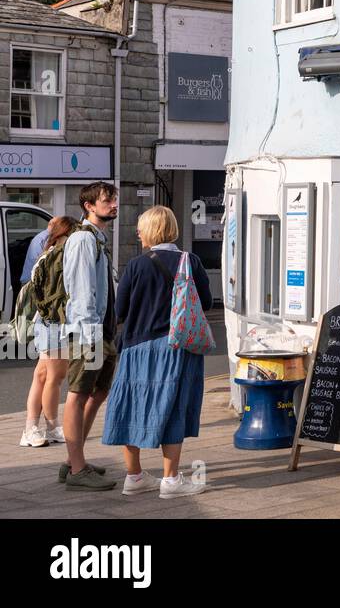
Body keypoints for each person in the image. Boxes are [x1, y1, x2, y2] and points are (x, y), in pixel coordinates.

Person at [102, 206, 212, 498]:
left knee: (131, 407)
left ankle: (135, 476)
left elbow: (120, 310)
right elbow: (207, 303)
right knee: (173, 407)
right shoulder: (191, 261)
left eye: (140, 227)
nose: (137, 232)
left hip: (136, 348)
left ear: (151, 230)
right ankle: (171, 480)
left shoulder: (136, 265)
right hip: (176, 347)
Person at [61, 181, 120, 491]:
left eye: (113, 199)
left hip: (103, 330)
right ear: (89, 206)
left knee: (97, 393)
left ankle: (74, 460)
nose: (113, 204)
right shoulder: (84, 240)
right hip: (90, 331)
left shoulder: (98, 239)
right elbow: (83, 291)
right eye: (106, 200)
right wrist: (91, 335)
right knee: (78, 394)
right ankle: (77, 468)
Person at [18, 217, 77, 448]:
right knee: (54, 377)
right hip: (53, 322)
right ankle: (44, 427)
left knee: (44, 376)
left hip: (49, 322)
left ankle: (37, 427)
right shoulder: (55, 257)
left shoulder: (49, 254)